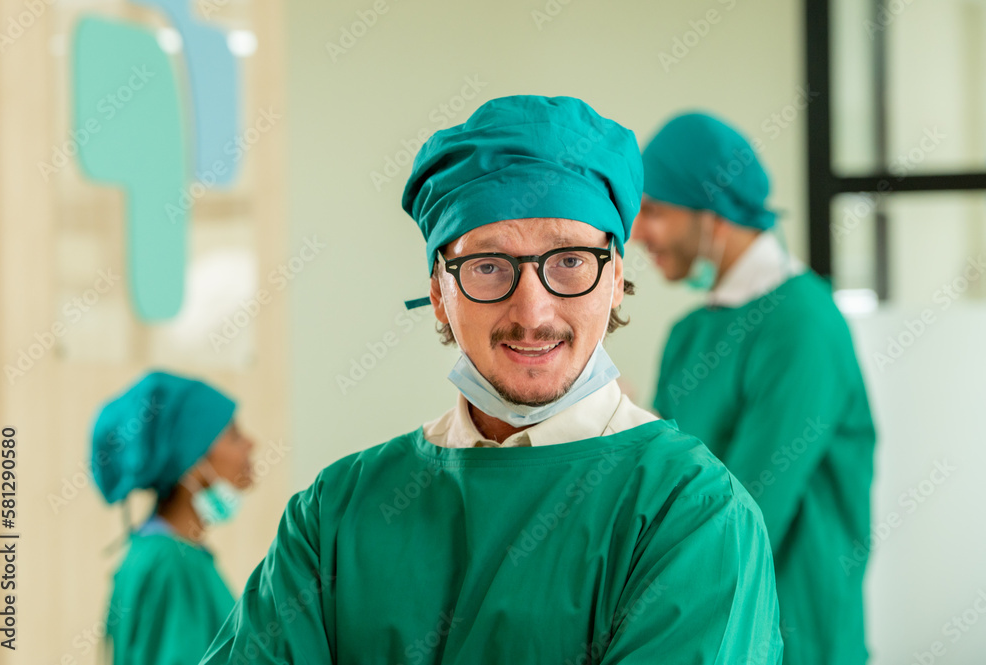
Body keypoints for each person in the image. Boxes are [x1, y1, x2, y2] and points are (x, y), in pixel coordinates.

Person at [201, 95, 782, 664]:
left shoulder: (691, 515)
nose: (533, 313)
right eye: (487, 266)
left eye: (570, 261)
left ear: (615, 279)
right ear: (438, 291)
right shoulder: (336, 515)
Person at [632, 111, 877, 665]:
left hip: (795, 640)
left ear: (713, 214)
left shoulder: (802, 325)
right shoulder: (691, 332)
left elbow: (750, 509)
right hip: (706, 634)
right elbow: (664, 487)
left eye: (655, 210)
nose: (638, 232)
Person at [91, 370, 255, 665]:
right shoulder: (173, 564)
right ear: (192, 462)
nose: (250, 444)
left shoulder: (155, 551)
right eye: (233, 435)